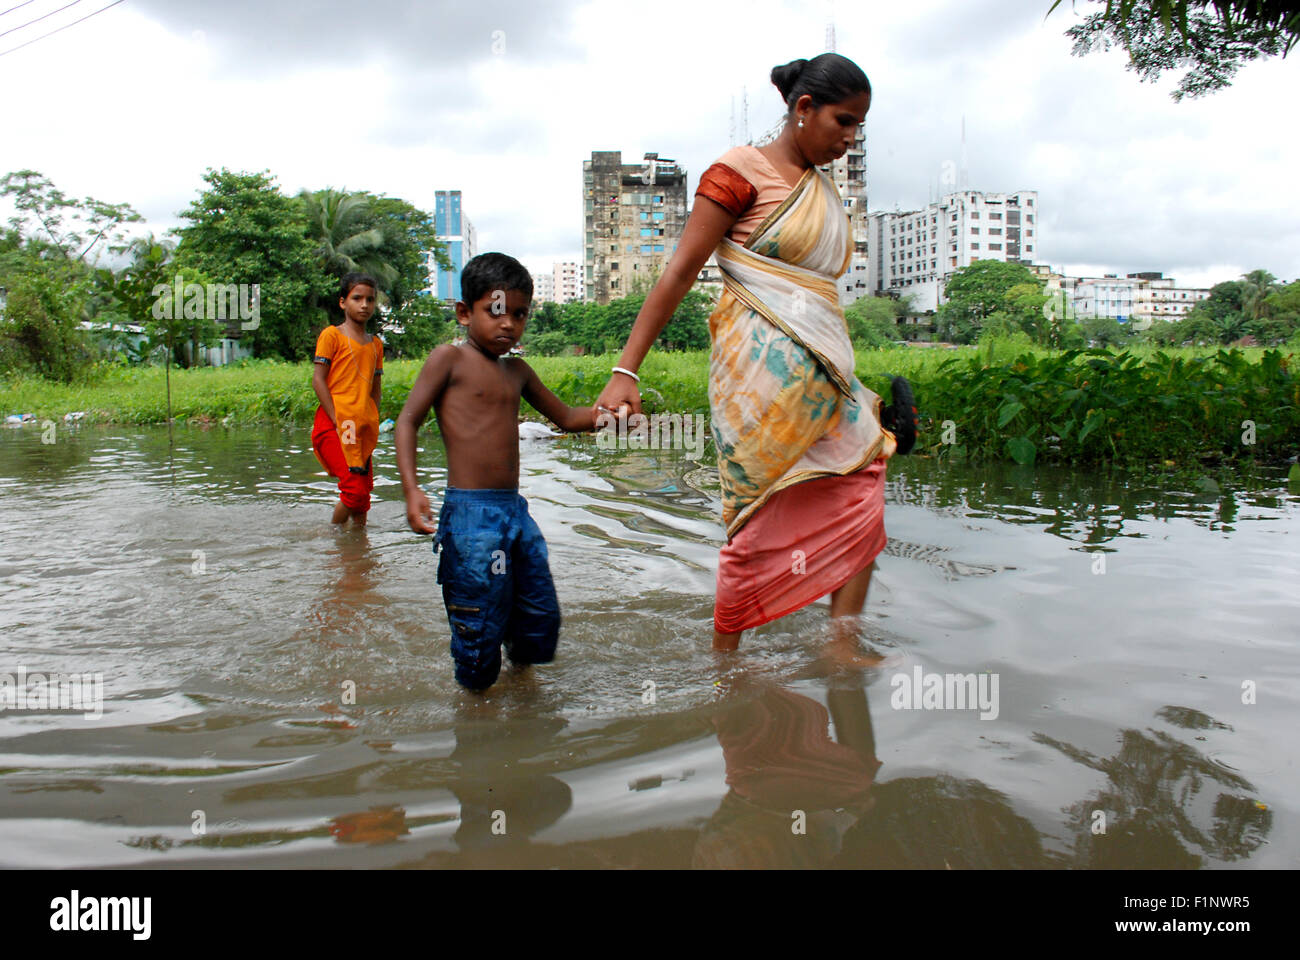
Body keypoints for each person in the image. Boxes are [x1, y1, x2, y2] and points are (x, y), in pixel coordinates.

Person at [594, 53, 916, 655]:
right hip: (755, 376)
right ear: (802, 109)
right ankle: (726, 664)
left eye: (858, 128)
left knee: (863, 487)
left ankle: (841, 644)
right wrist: (625, 370)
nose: (849, 138)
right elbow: (681, 270)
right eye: (842, 122)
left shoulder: (822, 191)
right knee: (756, 517)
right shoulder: (739, 170)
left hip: (828, 375)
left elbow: (816, 299)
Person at [396, 252, 596, 690]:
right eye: (497, 311)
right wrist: (412, 491)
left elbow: (567, 418)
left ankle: (522, 689)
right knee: (477, 621)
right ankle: (476, 709)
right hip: (470, 518)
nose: (509, 324)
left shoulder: (518, 371)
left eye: (520, 314)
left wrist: (614, 415)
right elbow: (407, 421)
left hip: (514, 513)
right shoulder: (448, 360)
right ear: (465, 313)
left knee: (537, 612)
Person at [312, 272, 383, 526]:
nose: (364, 305)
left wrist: (372, 417)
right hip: (334, 424)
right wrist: (337, 420)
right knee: (354, 493)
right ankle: (333, 541)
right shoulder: (331, 336)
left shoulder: (375, 344)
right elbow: (318, 380)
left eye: (370, 299)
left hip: (361, 427)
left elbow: (376, 388)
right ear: (343, 302)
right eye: (357, 298)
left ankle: (357, 555)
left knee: (363, 500)